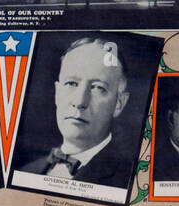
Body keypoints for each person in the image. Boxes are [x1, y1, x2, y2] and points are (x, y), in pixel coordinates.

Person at [20, 36, 134, 186]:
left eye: (97, 88)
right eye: (71, 83)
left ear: (119, 103)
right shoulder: (26, 172)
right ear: (57, 93)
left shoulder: (129, 180)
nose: (79, 102)